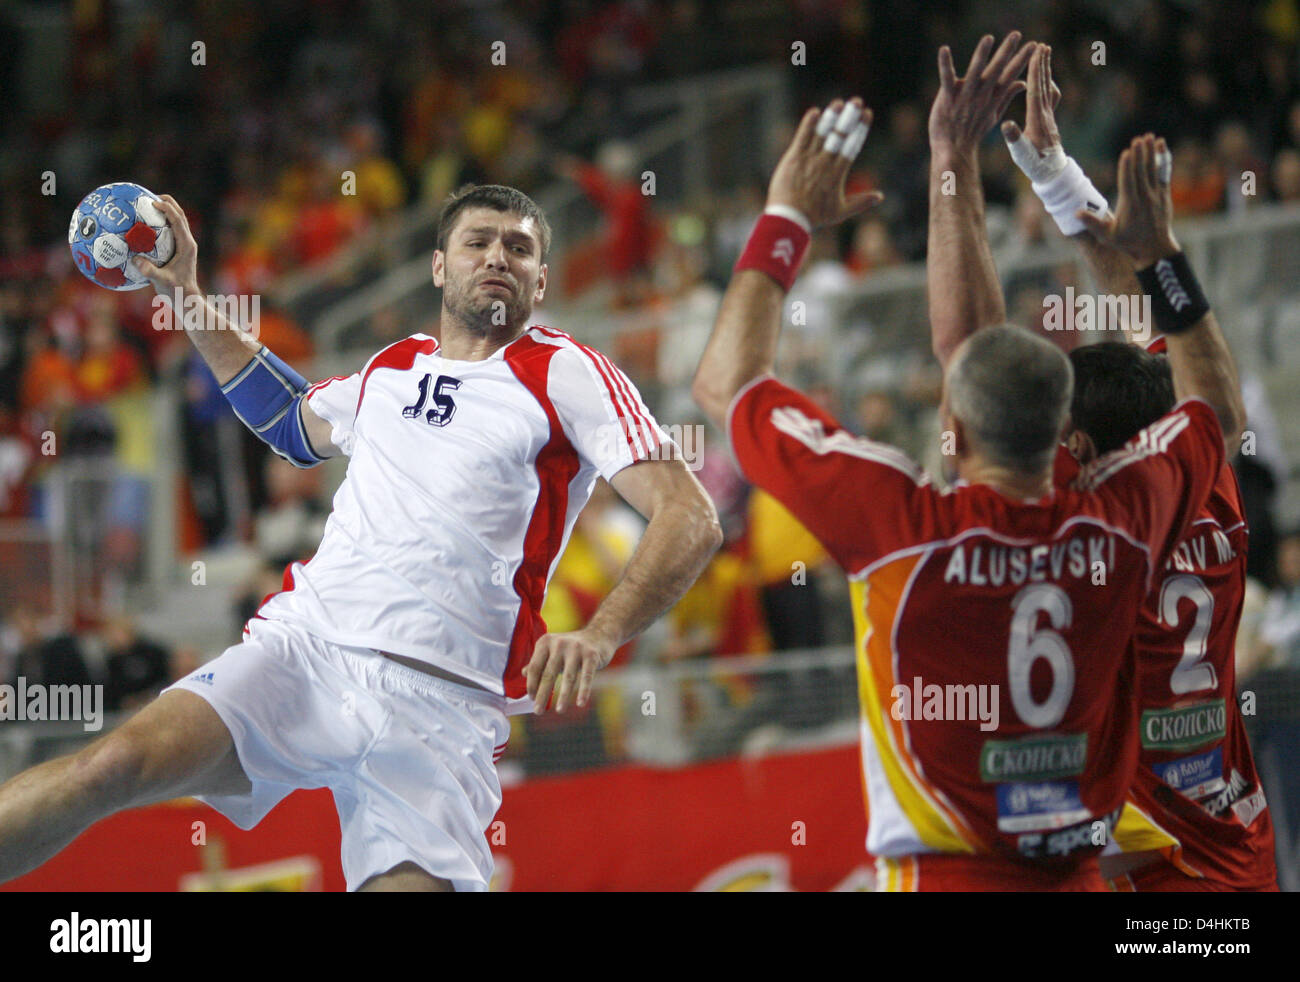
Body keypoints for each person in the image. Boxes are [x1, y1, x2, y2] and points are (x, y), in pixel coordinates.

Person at [0, 183, 721, 892]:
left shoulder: (570, 372)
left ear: (542, 276)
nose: (499, 256)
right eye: (479, 241)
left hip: (441, 707)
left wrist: (600, 635)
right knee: (111, 766)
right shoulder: (393, 365)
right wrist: (187, 290)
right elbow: (285, 417)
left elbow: (689, 516)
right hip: (306, 651)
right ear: (440, 266)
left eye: (520, 247)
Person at [693, 31, 1245, 891]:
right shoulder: (1137, 515)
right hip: (1163, 868)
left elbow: (727, 379)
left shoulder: (905, 529)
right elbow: (1209, 399)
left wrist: (789, 215)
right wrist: (1160, 258)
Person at [930, 42, 1275, 890]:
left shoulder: (1093, 524)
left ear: (1078, 451)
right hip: (1237, 855)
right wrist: (1057, 178)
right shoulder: (1204, 477)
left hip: (1133, 865)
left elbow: (971, 352)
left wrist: (954, 163)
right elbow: (1176, 343)